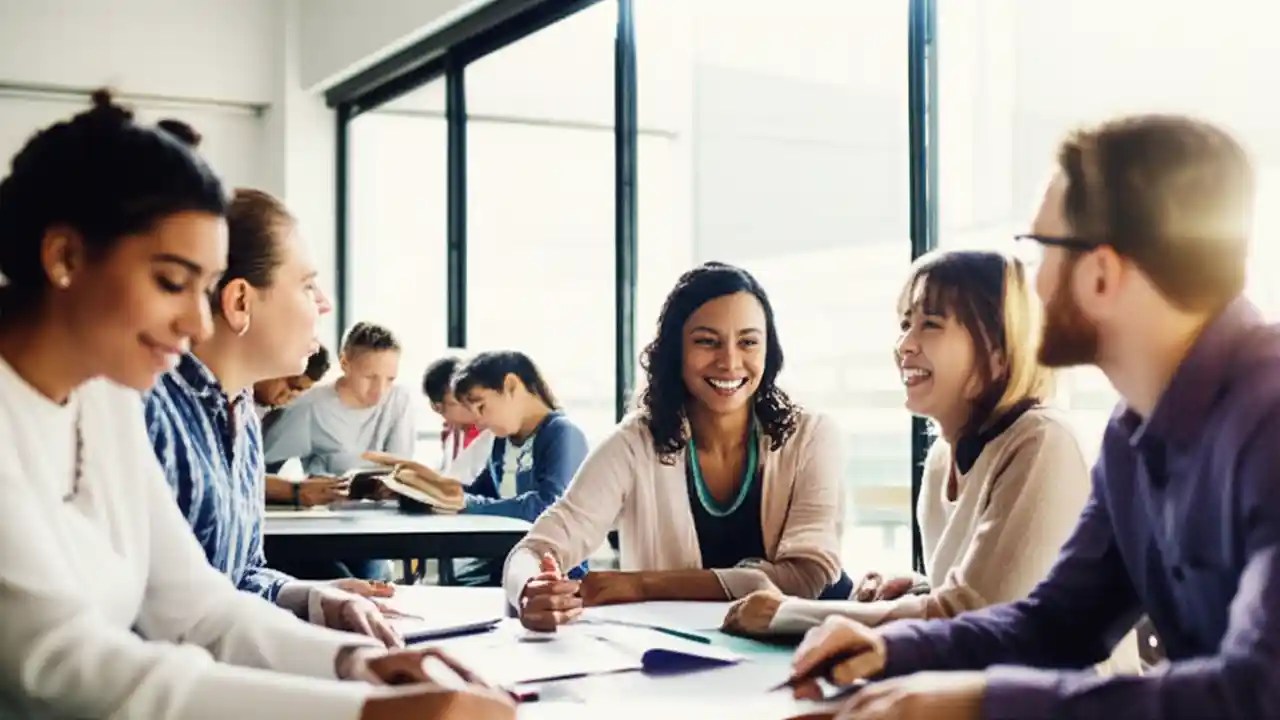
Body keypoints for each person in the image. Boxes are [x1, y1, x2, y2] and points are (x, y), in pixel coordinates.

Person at [0, 91, 512, 720]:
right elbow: (60, 665)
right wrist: (365, 712)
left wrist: (357, 665)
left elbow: (197, 605)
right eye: (170, 282)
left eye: (206, 288)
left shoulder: (104, 395)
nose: (195, 320)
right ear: (65, 258)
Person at [790, 115, 1280, 720]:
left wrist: (973, 701)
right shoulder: (1132, 438)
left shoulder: (1269, 420)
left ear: (1100, 273)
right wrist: (889, 649)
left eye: (1040, 251)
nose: (1031, 286)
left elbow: (1259, 692)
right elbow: (1058, 623)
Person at [722, 250, 1140, 670]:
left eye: (930, 325)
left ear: (998, 349)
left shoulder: (1041, 441)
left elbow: (969, 615)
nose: (904, 345)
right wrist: (919, 590)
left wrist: (786, 614)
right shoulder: (943, 456)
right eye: (905, 324)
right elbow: (979, 594)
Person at [504, 262, 849, 631]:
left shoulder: (811, 435)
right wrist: (530, 587)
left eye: (748, 342)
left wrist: (642, 584)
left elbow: (807, 577)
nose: (730, 361)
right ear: (676, 351)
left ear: (769, 349)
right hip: (680, 655)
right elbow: (534, 549)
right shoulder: (635, 442)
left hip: (806, 644)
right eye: (706, 341)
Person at [144, 185, 399, 641]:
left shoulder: (240, 409)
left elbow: (240, 577)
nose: (324, 304)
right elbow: (159, 624)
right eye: (306, 285)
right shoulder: (149, 412)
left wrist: (313, 599)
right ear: (240, 302)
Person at [264, 321, 414, 580]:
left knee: (376, 585)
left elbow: (404, 469)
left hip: (380, 527)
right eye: (369, 377)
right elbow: (254, 472)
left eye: (389, 379)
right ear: (345, 363)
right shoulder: (308, 406)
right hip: (325, 528)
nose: (380, 391)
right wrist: (298, 490)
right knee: (349, 584)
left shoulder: (399, 400)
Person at [256, 345, 349, 507]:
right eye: (292, 385)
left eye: (301, 391)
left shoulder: (275, 411)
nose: (291, 396)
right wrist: (295, 491)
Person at [423, 353, 494, 484]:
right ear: (437, 407)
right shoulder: (452, 434)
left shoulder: (490, 431)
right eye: (460, 401)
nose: (471, 407)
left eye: (471, 398)